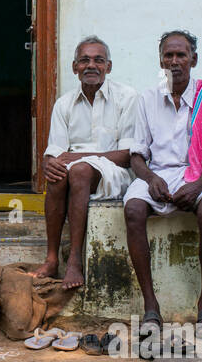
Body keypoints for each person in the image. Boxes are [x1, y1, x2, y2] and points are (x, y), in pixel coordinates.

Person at [123, 30, 202, 339]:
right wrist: (150, 178)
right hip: (156, 173)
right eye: (168, 56)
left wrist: (197, 186)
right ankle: (151, 307)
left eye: (181, 55)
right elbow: (137, 154)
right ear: (160, 60)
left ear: (193, 59)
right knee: (133, 209)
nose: (174, 61)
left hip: (197, 174)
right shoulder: (147, 98)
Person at [36, 36, 137, 289]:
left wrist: (80, 158)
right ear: (74, 67)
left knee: (79, 170)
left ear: (108, 67)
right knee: (58, 173)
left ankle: (74, 261)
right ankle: (51, 258)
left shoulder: (127, 97)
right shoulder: (64, 104)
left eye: (98, 60)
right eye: (84, 60)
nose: (91, 66)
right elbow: (55, 151)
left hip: (115, 172)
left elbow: (127, 155)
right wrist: (49, 162)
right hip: (75, 172)